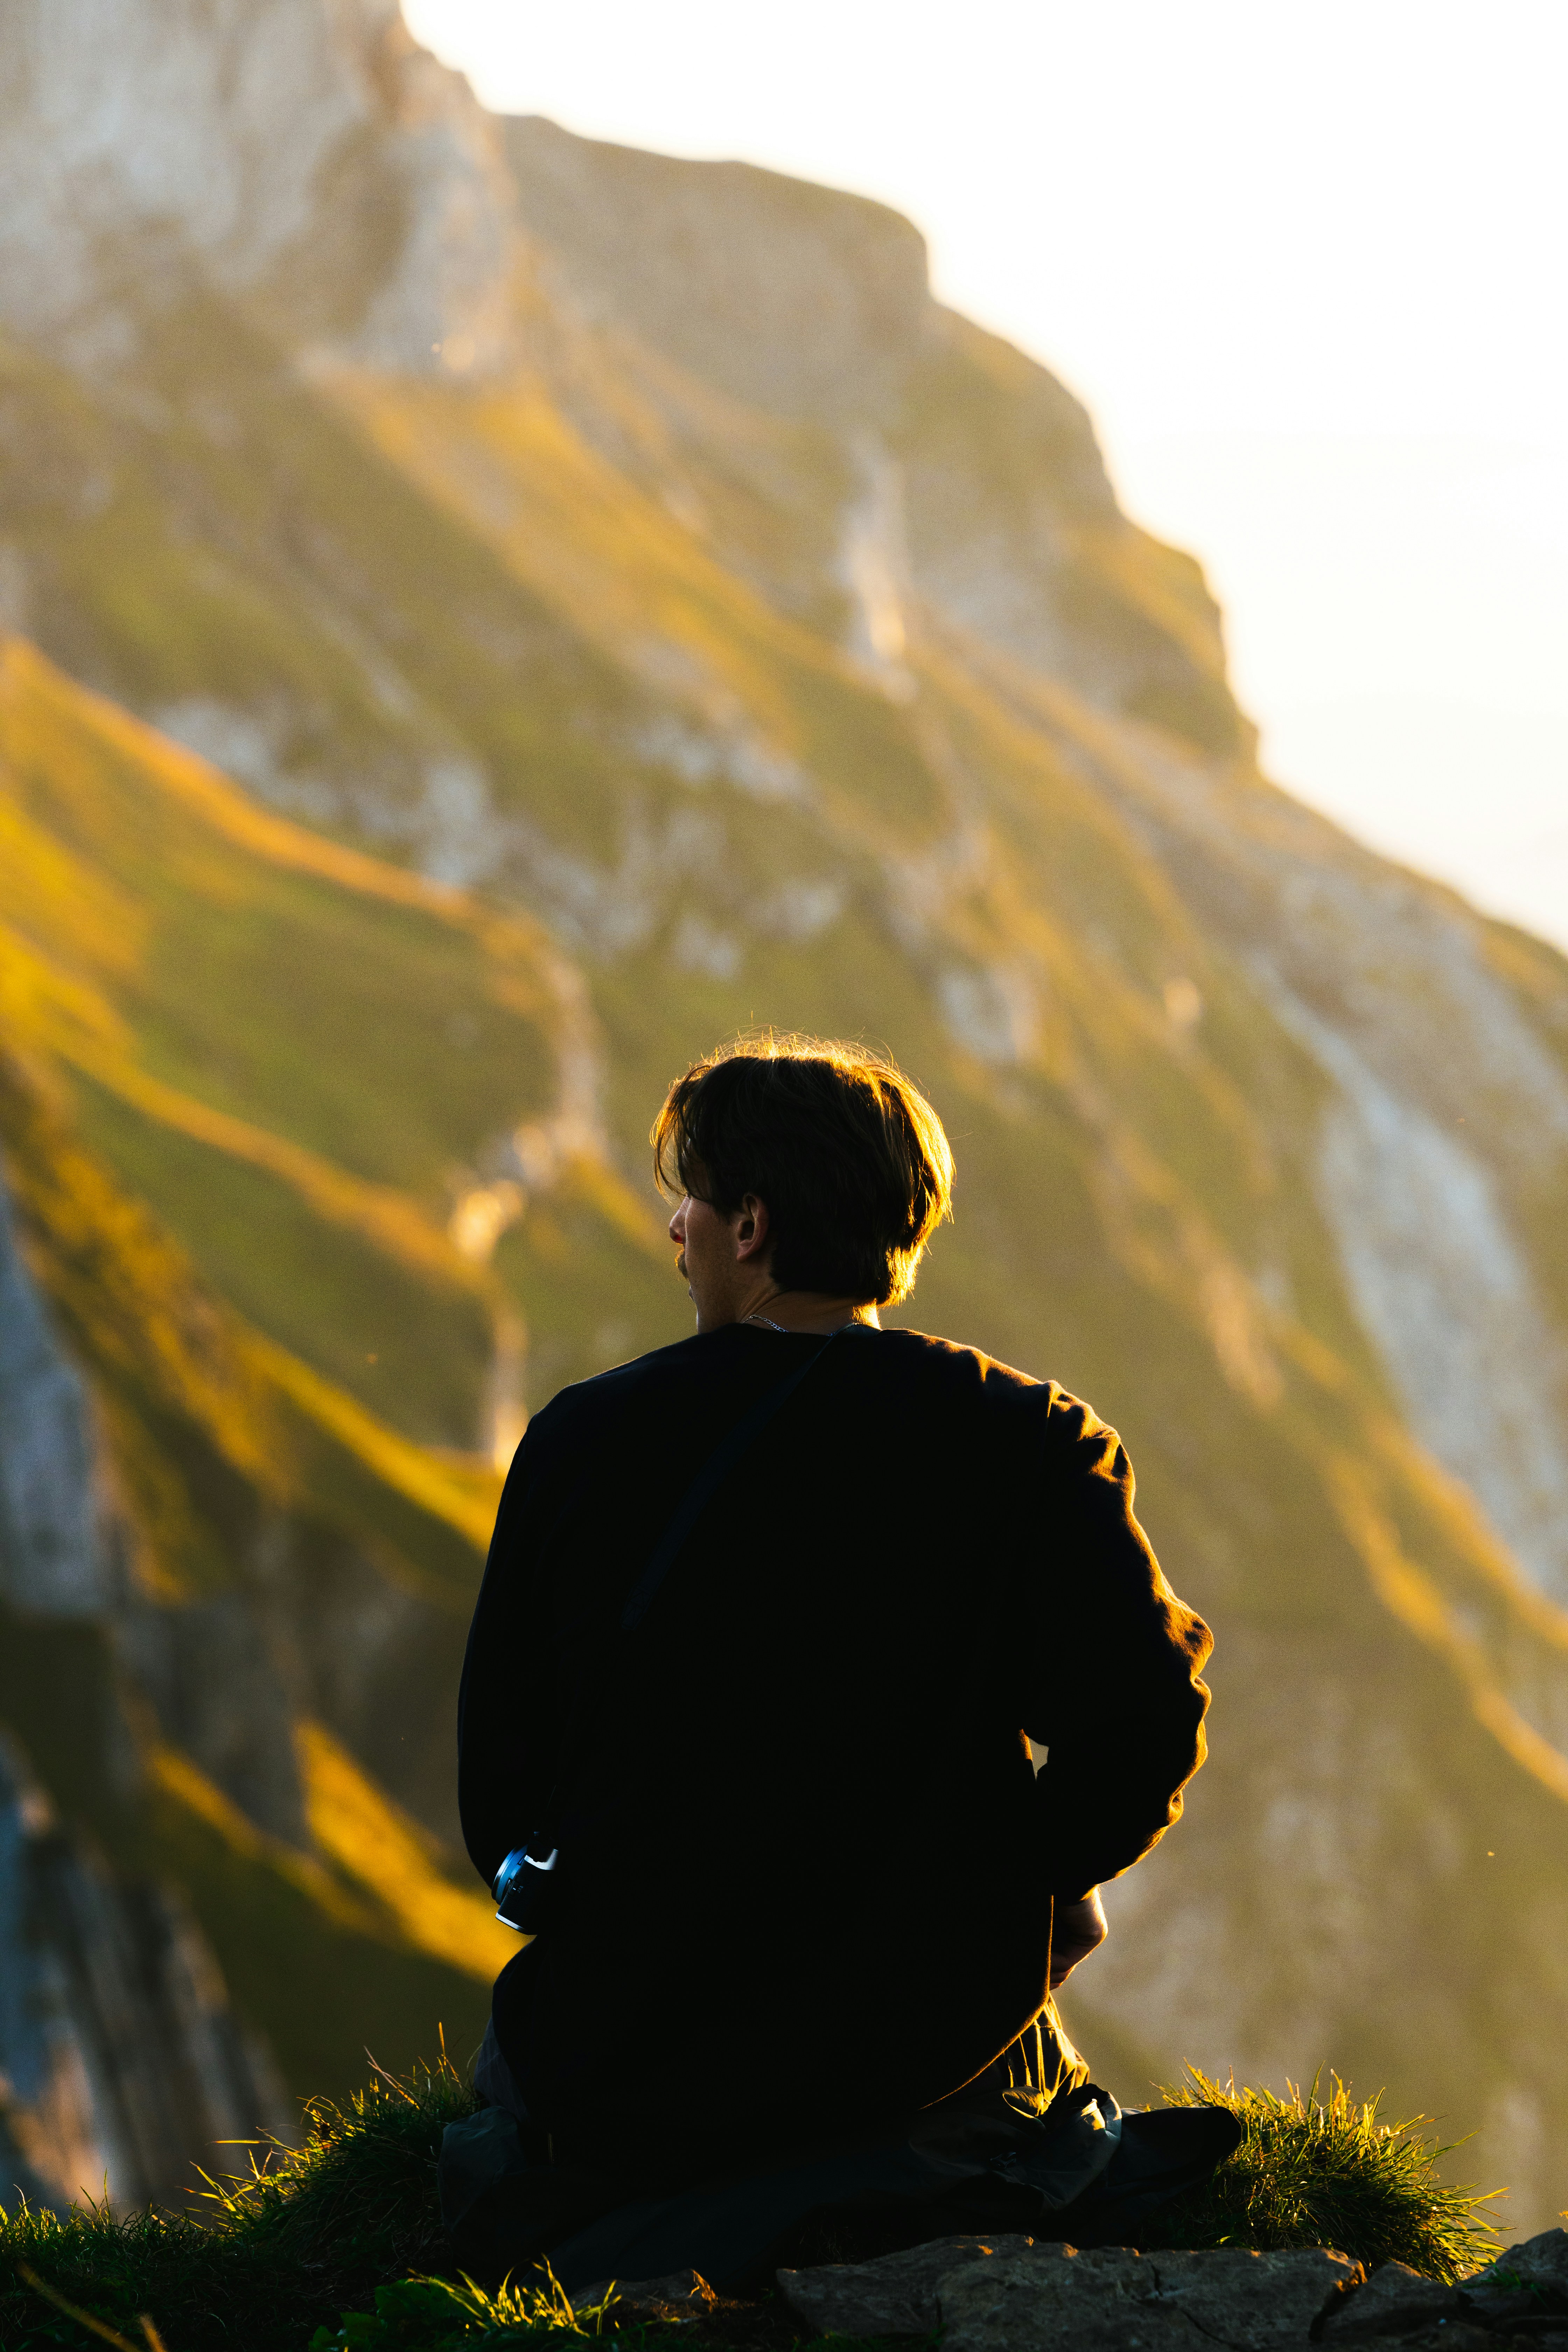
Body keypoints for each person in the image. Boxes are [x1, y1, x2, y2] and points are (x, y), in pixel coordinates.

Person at [451, 1035, 1219, 2286]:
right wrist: (1034, 1880)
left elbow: (506, 1788)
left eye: (689, 1201)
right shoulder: (1028, 1440)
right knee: (1025, 2088)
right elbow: (1142, 1722)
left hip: (623, 2054)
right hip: (914, 2046)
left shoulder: (584, 1440)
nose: (676, 1231)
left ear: (748, 1227)